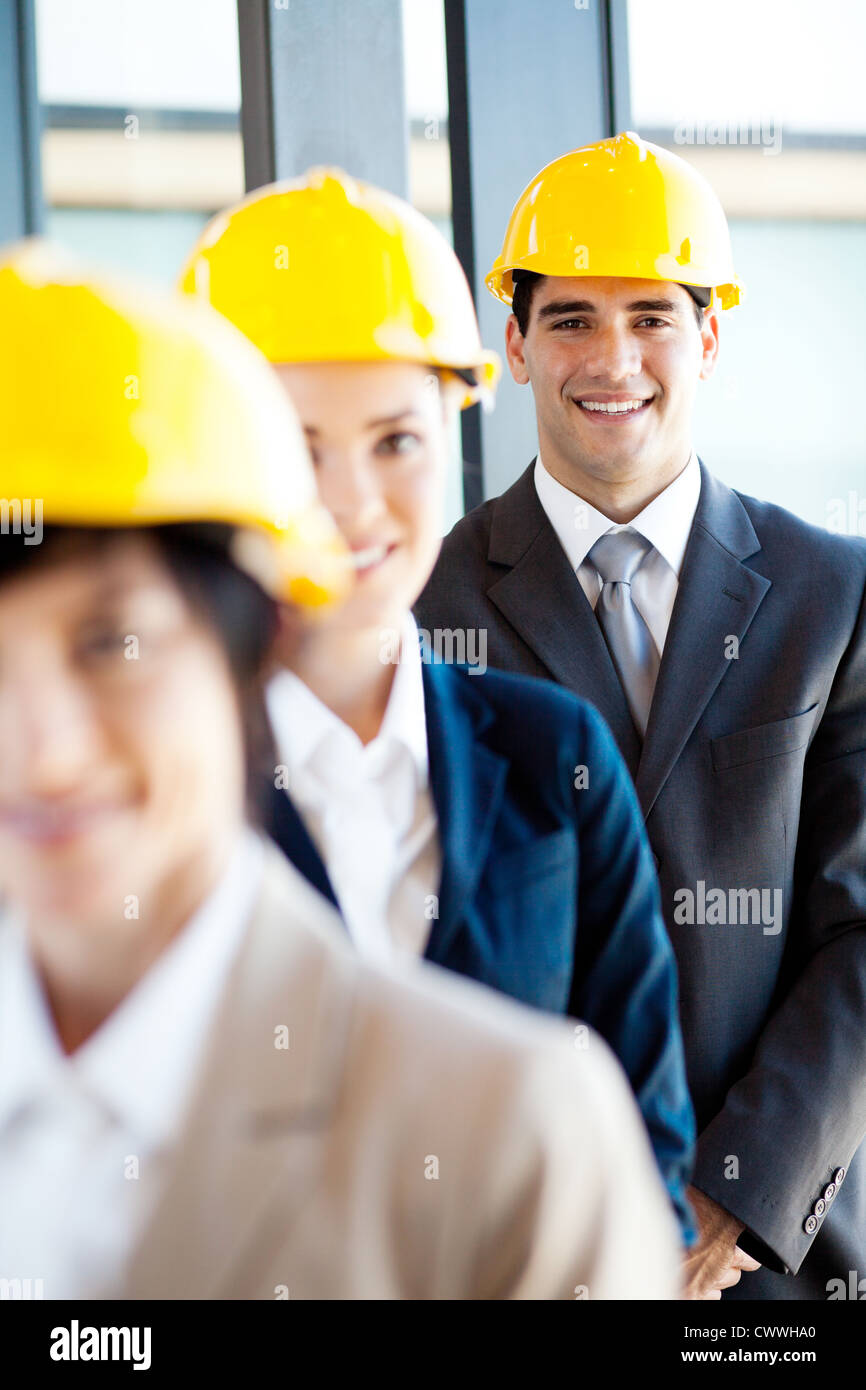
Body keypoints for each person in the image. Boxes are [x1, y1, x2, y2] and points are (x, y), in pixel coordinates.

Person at [0, 244, 680, 1301]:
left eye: (110, 646)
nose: (39, 749)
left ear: (249, 635)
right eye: (302, 445)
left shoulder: (518, 1130)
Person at [179, 167, 696, 1243]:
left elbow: (639, 1144)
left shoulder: (555, 756)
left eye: (395, 441)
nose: (350, 502)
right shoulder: (160, 784)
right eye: (295, 447)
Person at [416, 130, 866, 1302]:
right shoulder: (424, 599)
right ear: (513, 343)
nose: (610, 357)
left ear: (706, 336)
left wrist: (728, 1196)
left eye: (650, 316)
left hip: (774, 1264)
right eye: (568, 318)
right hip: (511, 1250)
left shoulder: (833, 592)